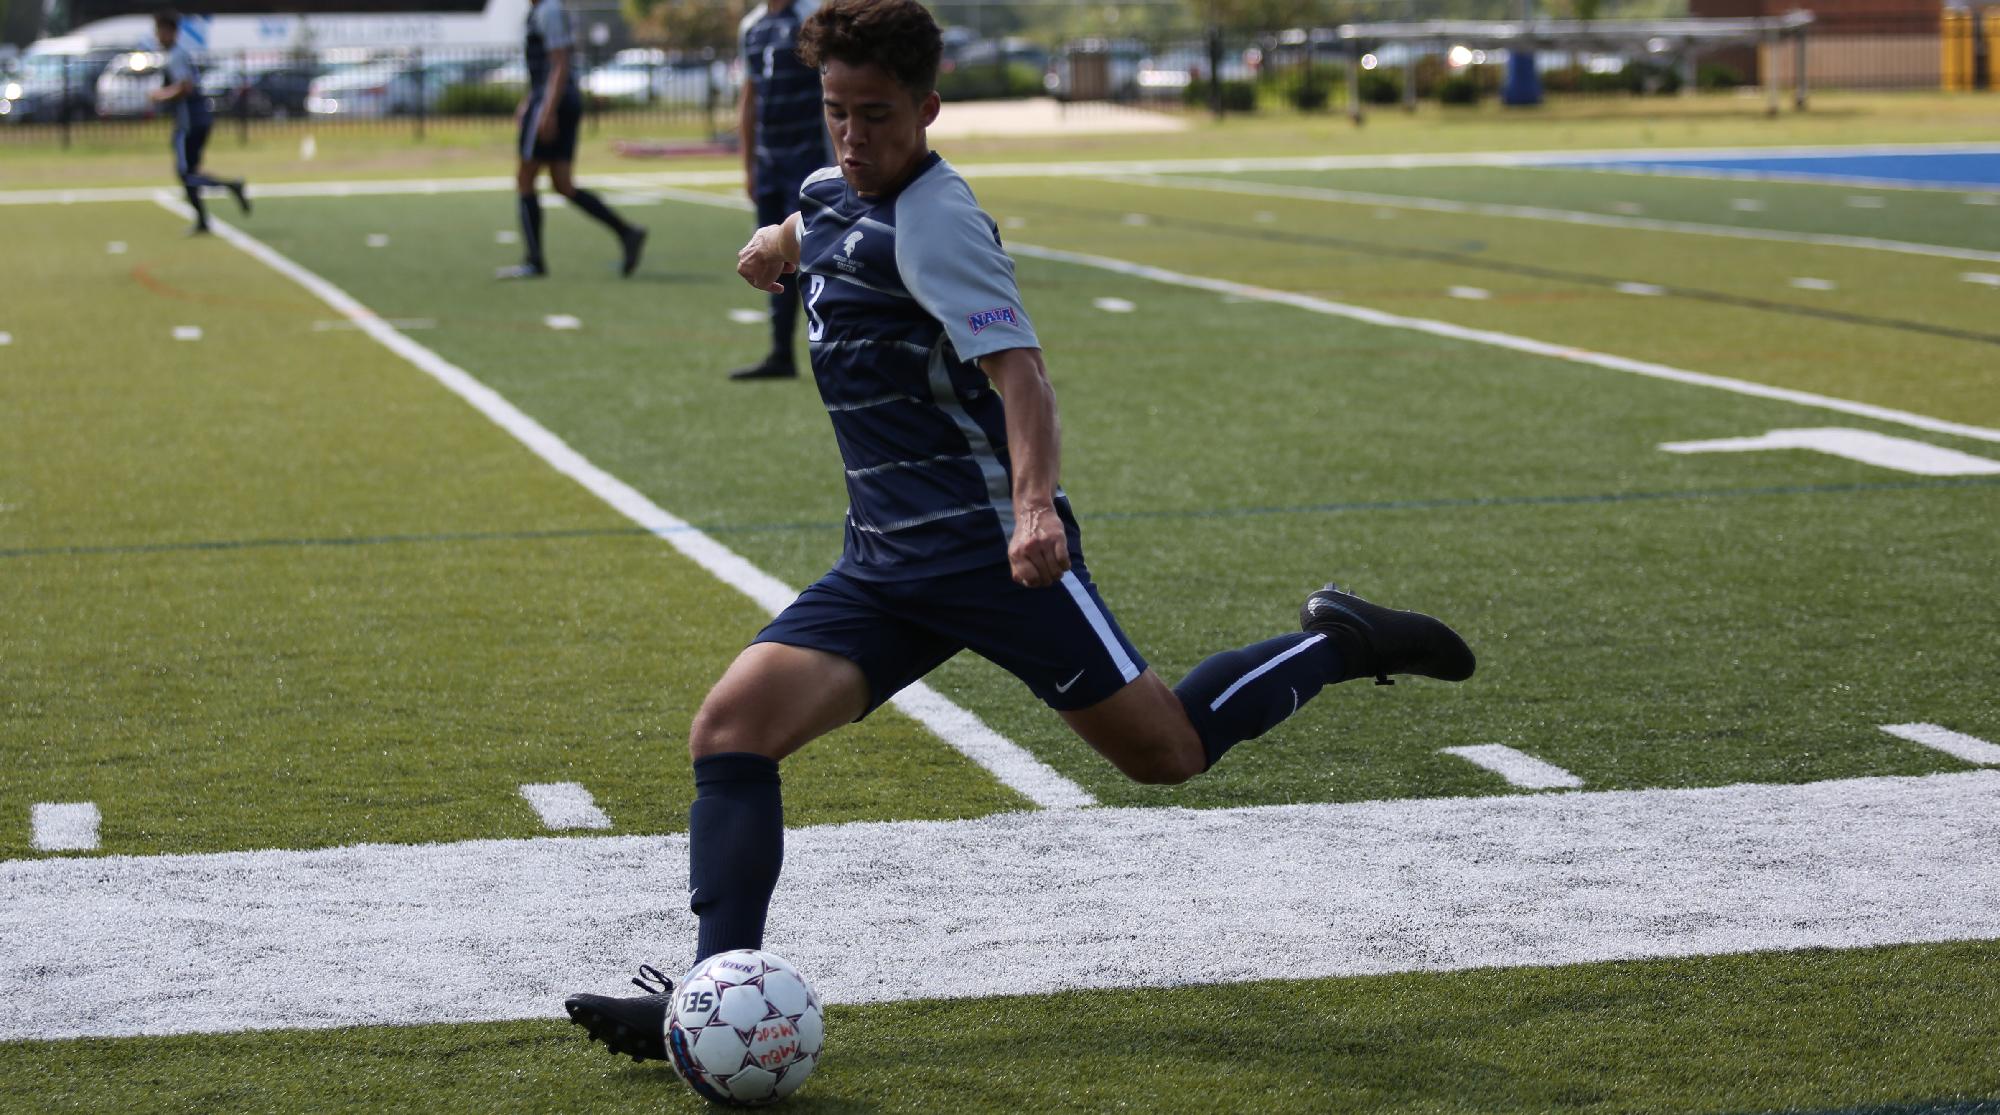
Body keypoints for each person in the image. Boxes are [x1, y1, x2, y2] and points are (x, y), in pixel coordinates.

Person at [563, 0, 1474, 1061]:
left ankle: (1341, 638)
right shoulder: (830, 192)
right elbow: (819, 221)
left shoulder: (939, 220)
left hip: (995, 554)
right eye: (835, 114)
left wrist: (1035, 509)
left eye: (877, 117)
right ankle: (706, 996)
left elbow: (1020, 374)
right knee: (730, 732)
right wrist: (774, 241)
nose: (853, 139)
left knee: (1166, 754)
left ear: (928, 109)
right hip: (884, 563)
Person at [496, 0, 647, 280]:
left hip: (554, 103)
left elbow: (560, 62)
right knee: (563, 183)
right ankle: (627, 232)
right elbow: (545, 68)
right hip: (556, 101)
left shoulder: (548, 10)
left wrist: (547, 110)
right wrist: (531, 101)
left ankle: (534, 261)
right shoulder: (540, 11)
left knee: (525, 179)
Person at [726, 0, 832, 380]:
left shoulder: (812, 17)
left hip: (810, 162)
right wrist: (749, 166)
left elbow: (831, 86)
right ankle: (780, 354)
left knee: (819, 258)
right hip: (770, 163)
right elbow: (749, 97)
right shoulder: (752, 26)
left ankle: (835, 351)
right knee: (775, 261)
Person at [150, 9, 248, 236]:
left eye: (161, 31)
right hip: (195, 121)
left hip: (189, 124)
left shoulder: (176, 56)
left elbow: (185, 87)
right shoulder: (176, 55)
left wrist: (159, 95)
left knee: (186, 174)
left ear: (171, 32)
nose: (158, 36)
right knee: (190, 173)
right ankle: (203, 220)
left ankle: (231, 186)